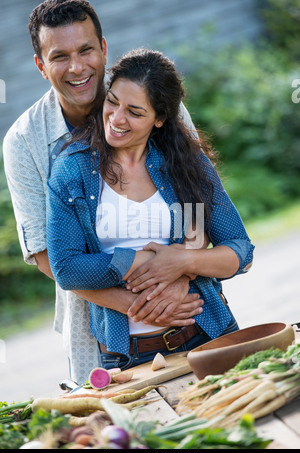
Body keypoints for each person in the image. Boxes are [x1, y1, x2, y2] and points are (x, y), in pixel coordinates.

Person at [3, 0, 203, 384]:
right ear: (41, 66)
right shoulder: (24, 142)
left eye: (86, 50)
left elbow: (194, 200)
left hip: (186, 307)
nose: (77, 67)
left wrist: (179, 274)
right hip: (96, 331)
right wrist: (139, 307)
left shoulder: (155, 99)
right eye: (60, 56)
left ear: (104, 49)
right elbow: (47, 256)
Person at [46, 48, 254, 371]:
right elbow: (67, 268)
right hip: (127, 356)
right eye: (112, 101)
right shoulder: (72, 173)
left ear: (159, 119)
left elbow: (240, 251)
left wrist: (181, 262)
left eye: (135, 111)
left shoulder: (183, 165)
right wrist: (139, 262)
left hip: (206, 332)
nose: (116, 118)